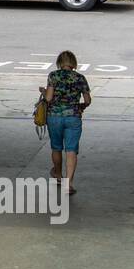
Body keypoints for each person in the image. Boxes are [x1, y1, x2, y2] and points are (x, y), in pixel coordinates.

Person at [44, 50, 91, 196]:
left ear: (59, 62)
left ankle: (58, 174)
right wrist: (80, 106)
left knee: (56, 147)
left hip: (54, 117)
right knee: (71, 150)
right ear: (73, 63)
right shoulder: (80, 78)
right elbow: (88, 100)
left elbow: (49, 98)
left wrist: (44, 91)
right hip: (73, 117)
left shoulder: (53, 75)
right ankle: (69, 184)